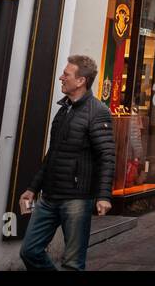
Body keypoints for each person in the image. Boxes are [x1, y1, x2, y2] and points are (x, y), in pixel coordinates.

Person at [19, 54, 115, 271]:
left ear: (81, 80)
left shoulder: (98, 112)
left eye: (66, 74)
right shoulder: (64, 110)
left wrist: (103, 196)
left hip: (77, 200)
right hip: (49, 197)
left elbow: (106, 156)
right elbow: (52, 154)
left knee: (72, 263)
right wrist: (32, 188)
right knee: (29, 251)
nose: (61, 78)